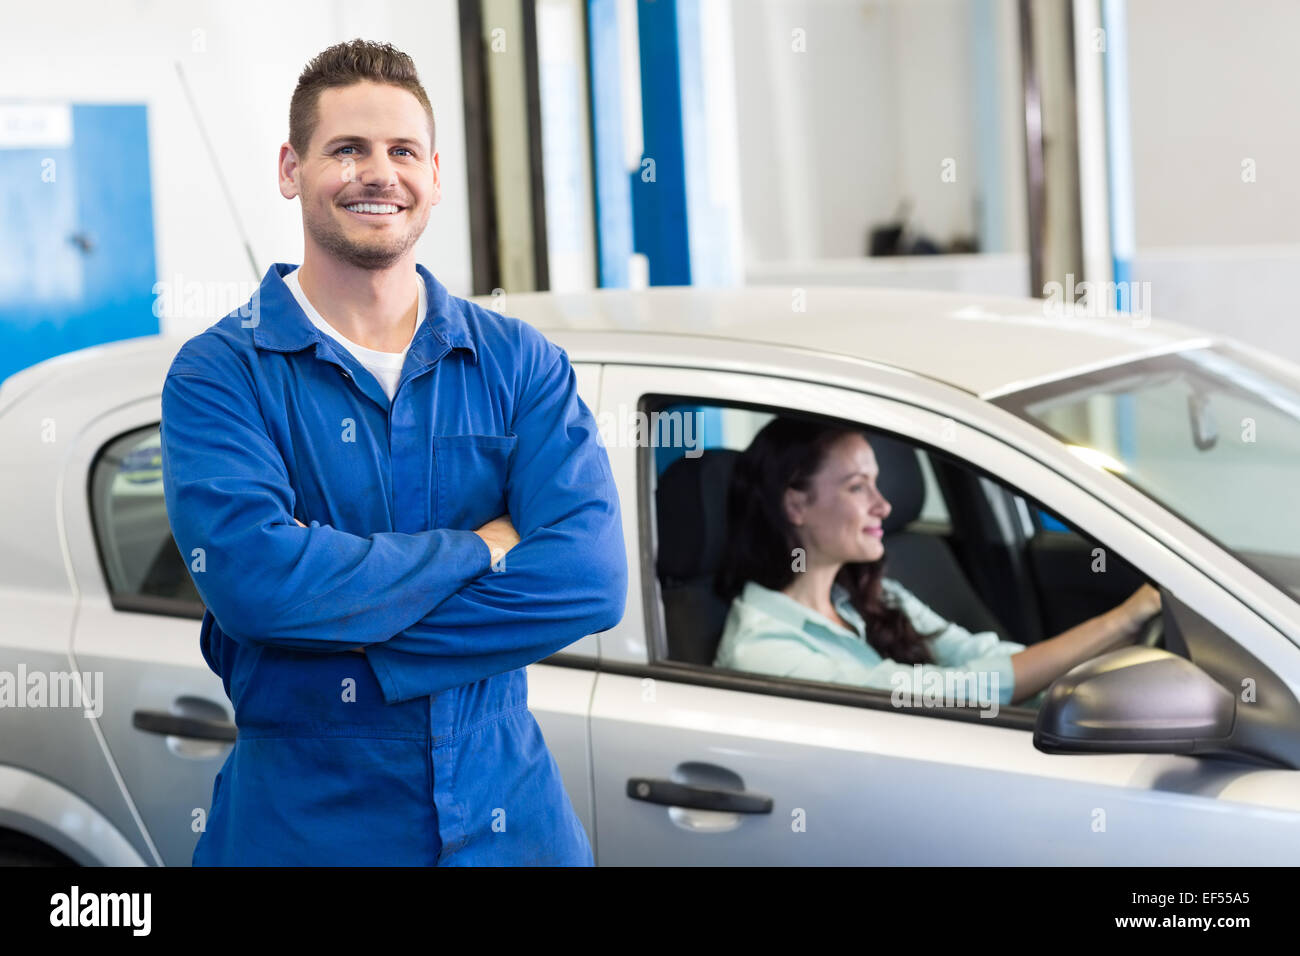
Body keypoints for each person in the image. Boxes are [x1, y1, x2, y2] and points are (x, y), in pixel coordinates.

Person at [160, 39, 627, 865]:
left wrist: (322, 654)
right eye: (347, 149)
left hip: (511, 827)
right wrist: (479, 548)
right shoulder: (220, 373)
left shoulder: (517, 362)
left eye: (402, 151)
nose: (379, 173)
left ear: (436, 176)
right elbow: (257, 586)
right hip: (308, 833)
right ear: (290, 168)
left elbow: (587, 582)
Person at [712, 418, 1161, 709]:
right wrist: (1119, 622)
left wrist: (1096, 671)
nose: (883, 505)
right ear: (796, 505)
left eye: (877, 484)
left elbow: (979, 655)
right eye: (857, 487)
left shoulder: (871, 597)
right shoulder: (763, 647)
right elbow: (937, 693)